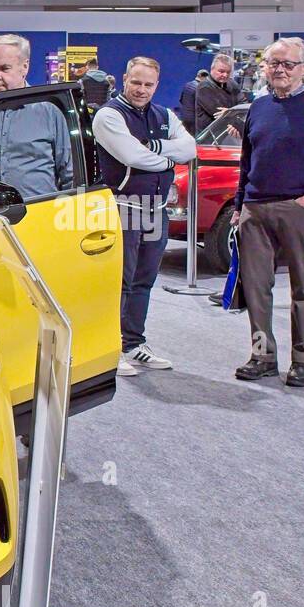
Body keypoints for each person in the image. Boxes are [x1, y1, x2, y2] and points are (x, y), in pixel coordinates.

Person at [93, 58, 197, 376]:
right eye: (136, 82)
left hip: (156, 211)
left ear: (156, 84)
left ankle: (133, 343)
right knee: (119, 282)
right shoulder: (109, 114)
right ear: (124, 79)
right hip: (123, 208)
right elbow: (131, 156)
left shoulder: (164, 115)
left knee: (144, 281)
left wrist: (155, 146)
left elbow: (190, 148)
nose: (141, 89)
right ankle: (110, 348)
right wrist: (168, 161)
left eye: (148, 84)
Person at [231, 38, 304, 387]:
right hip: (255, 208)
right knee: (256, 289)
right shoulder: (258, 108)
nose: (279, 69)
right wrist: (239, 206)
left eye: (288, 64)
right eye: (273, 62)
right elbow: (247, 161)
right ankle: (262, 356)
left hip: (299, 208)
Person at [0, 33, 74, 200]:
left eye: (4, 68)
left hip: (39, 218)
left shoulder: (50, 110)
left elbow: (69, 175)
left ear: (25, 67)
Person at [194, 53, 243, 134]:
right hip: (209, 138)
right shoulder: (204, 87)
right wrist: (234, 112)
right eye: (221, 71)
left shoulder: (232, 83)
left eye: (228, 72)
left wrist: (229, 111)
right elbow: (219, 113)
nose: (225, 75)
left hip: (229, 134)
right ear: (212, 69)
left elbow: (243, 104)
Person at [175, 70, 208, 135]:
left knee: (184, 137)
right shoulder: (200, 88)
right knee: (193, 139)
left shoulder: (187, 85)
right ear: (203, 77)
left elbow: (181, 100)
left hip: (184, 117)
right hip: (194, 119)